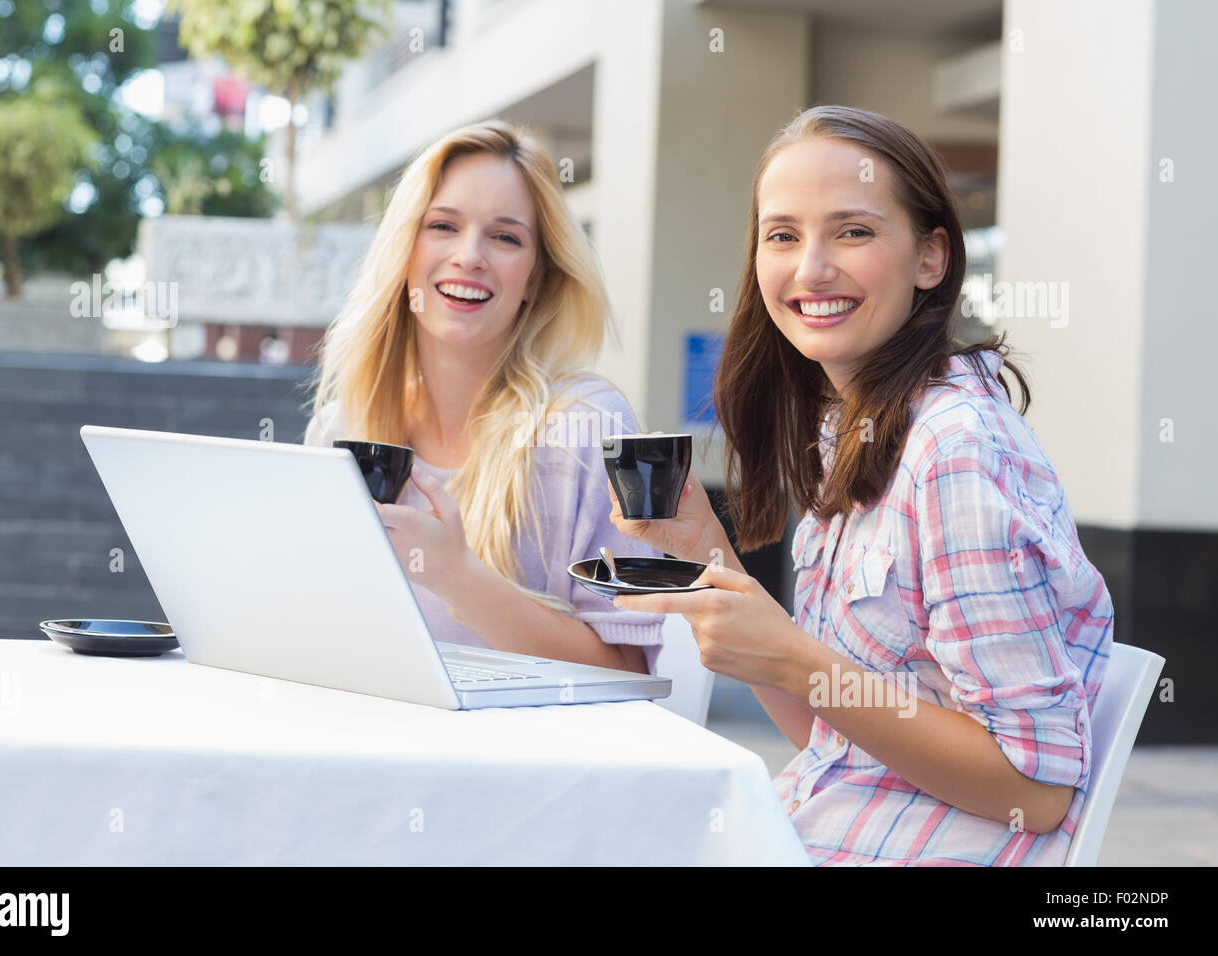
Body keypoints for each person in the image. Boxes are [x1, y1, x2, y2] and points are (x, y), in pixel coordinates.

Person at [610, 105, 1114, 864]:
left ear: (931, 258)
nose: (811, 268)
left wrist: (792, 656)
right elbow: (835, 737)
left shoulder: (953, 449)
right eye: (782, 235)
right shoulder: (848, 437)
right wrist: (709, 562)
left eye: (853, 231)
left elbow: (1032, 791)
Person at [303, 120, 663, 674]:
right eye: (444, 225)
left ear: (536, 280)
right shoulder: (341, 425)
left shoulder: (591, 427)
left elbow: (630, 672)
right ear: (404, 251)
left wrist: (455, 574)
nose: (470, 256)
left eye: (505, 237)